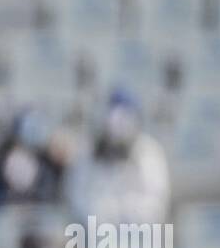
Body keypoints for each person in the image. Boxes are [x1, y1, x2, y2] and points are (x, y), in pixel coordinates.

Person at [65, 88, 170, 226]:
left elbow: (156, 203)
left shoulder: (149, 152)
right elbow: (76, 195)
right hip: (94, 236)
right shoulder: (87, 151)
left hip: (138, 237)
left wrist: (123, 215)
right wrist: (100, 216)